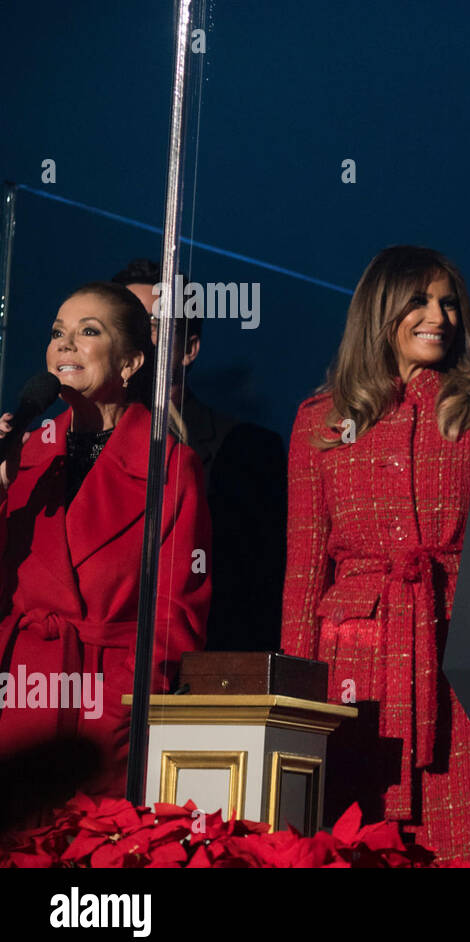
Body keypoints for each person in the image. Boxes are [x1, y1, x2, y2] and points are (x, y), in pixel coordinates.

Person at [281, 246, 470, 861]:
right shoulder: (321, 418)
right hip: (354, 659)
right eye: (419, 301)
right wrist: (294, 689)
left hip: (461, 647)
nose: (438, 316)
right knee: (352, 828)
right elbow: (306, 564)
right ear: (380, 312)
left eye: (449, 303)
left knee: (461, 829)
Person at [0, 281, 211, 802]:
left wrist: (124, 706)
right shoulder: (23, 457)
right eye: (57, 333)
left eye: (87, 332)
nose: (64, 344)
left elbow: (177, 616)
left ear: (131, 362)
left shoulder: (171, 467)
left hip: (103, 714)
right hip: (17, 697)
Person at [113, 259, 287, 653]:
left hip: (194, 680)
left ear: (188, 348)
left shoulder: (248, 451)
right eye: (122, 324)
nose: (134, 340)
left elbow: (255, 595)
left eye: (152, 327)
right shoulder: (69, 441)